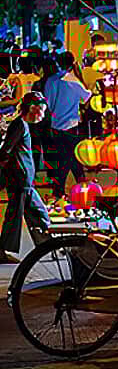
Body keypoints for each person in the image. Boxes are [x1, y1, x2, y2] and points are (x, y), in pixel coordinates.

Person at [1, 93, 51, 262]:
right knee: (30, 214)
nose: (43, 115)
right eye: (42, 110)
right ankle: (47, 246)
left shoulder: (21, 125)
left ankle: (46, 247)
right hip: (20, 180)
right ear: (32, 108)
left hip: (22, 179)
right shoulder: (19, 125)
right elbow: (7, 150)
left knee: (30, 214)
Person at [41, 51, 88, 200]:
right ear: (72, 64)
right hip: (72, 125)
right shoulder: (73, 80)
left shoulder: (50, 81)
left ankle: (62, 191)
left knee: (64, 158)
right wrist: (79, 75)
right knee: (71, 158)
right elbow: (87, 97)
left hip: (55, 125)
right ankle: (80, 188)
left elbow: (48, 104)